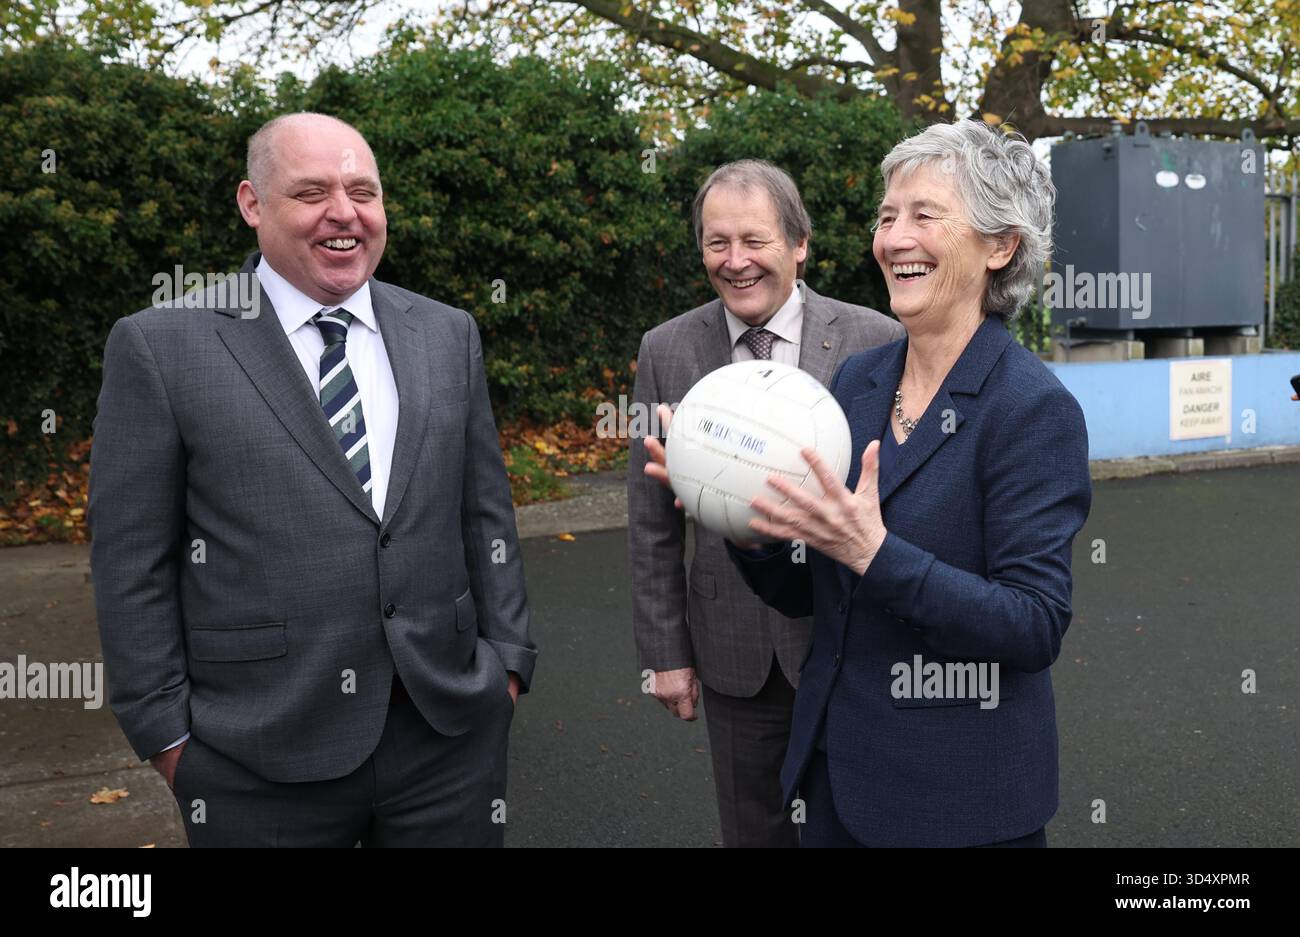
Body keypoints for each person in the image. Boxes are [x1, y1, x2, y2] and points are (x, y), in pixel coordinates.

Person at [88, 112, 536, 847]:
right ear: (251, 203)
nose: (345, 213)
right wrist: (167, 735)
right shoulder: (160, 346)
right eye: (312, 191)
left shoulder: (447, 333)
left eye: (363, 190)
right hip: (254, 754)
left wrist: (508, 664)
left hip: (448, 735)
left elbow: (485, 512)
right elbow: (131, 558)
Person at [644, 119, 1092, 847]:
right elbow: (814, 587)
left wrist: (873, 551)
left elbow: (1033, 623)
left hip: (960, 804)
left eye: (924, 215)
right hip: (836, 786)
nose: (893, 238)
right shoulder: (858, 381)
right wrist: (749, 528)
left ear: (999, 246)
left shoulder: (1032, 408)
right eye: (887, 217)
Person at [628, 159, 903, 847]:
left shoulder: (877, 339)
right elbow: (650, 522)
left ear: (800, 243)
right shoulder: (665, 349)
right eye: (717, 242)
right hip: (734, 654)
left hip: (848, 645)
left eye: (755, 240)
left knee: (865, 824)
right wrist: (666, 652)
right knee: (756, 833)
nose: (736, 260)